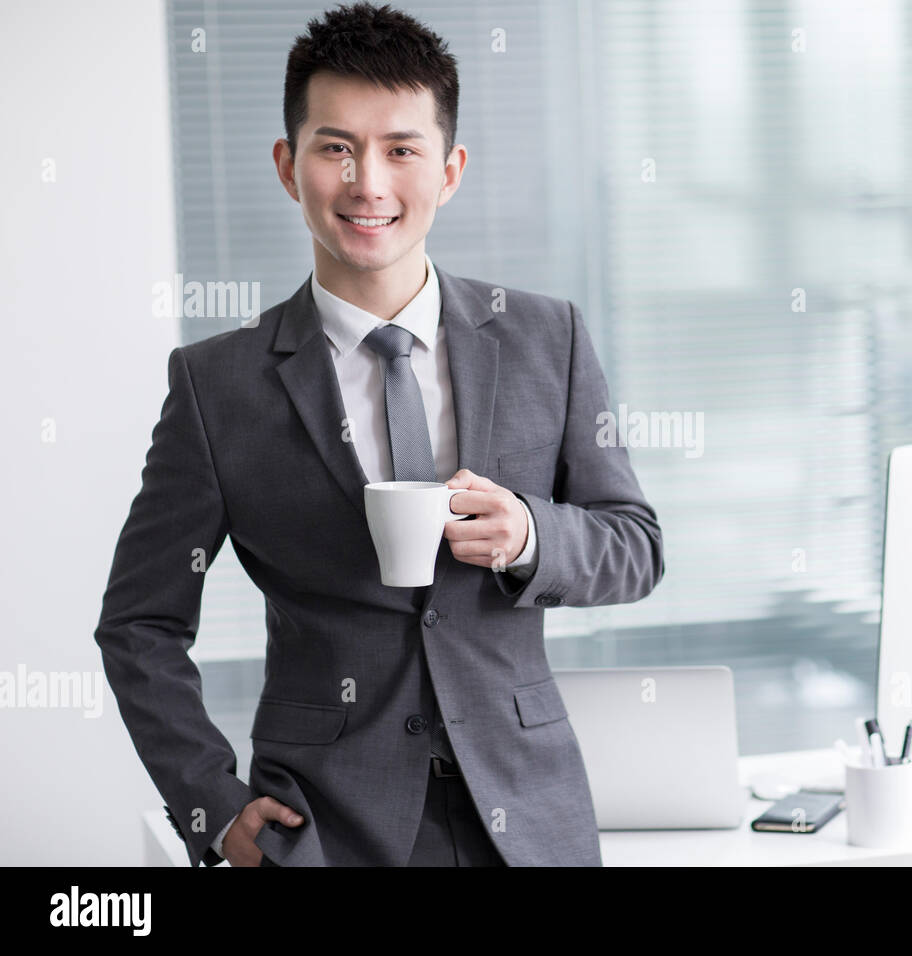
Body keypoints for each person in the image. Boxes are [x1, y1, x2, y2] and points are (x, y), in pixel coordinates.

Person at [94, 1, 664, 867]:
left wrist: (532, 535)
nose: (368, 183)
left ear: (451, 169)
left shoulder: (550, 337)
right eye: (336, 147)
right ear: (289, 167)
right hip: (323, 827)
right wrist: (213, 806)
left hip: (527, 815)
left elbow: (635, 548)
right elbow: (139, 623)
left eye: (402, 149)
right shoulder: (218, 386)